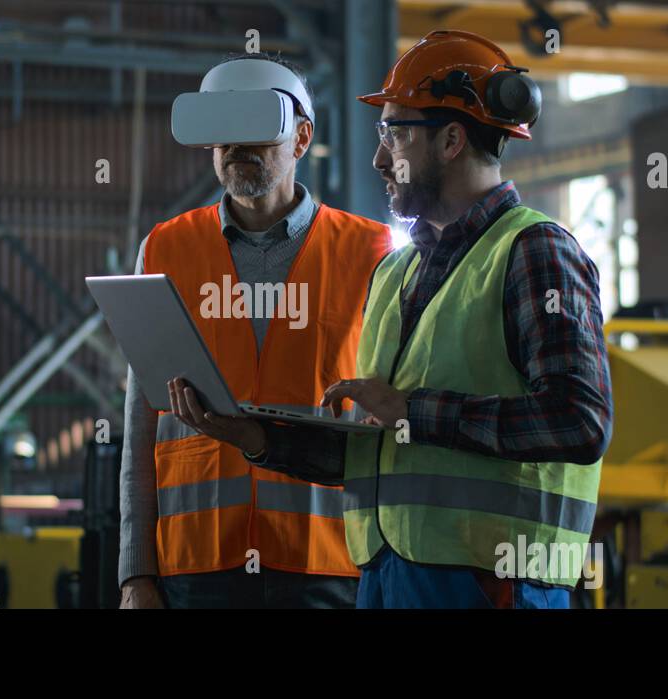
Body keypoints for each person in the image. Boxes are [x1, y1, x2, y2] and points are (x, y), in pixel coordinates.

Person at [166, 30, 614, 609]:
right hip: (389, 577)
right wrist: (256, 440)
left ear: (451, 140)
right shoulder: (397, 271)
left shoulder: (534, 251)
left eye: (394, 134)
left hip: (497, 582)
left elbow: (580, 421)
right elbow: (379, 455)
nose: (380, 158)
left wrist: (412, 410)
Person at [118, 53, 391, 609]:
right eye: (222, 128)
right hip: (196, 565)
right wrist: (135, 573)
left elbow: (389, 419)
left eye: (255, 124)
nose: (236, 145)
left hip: (329, 562)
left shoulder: (373, 252)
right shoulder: (164, 248)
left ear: (301, 138)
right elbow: (140, 426)